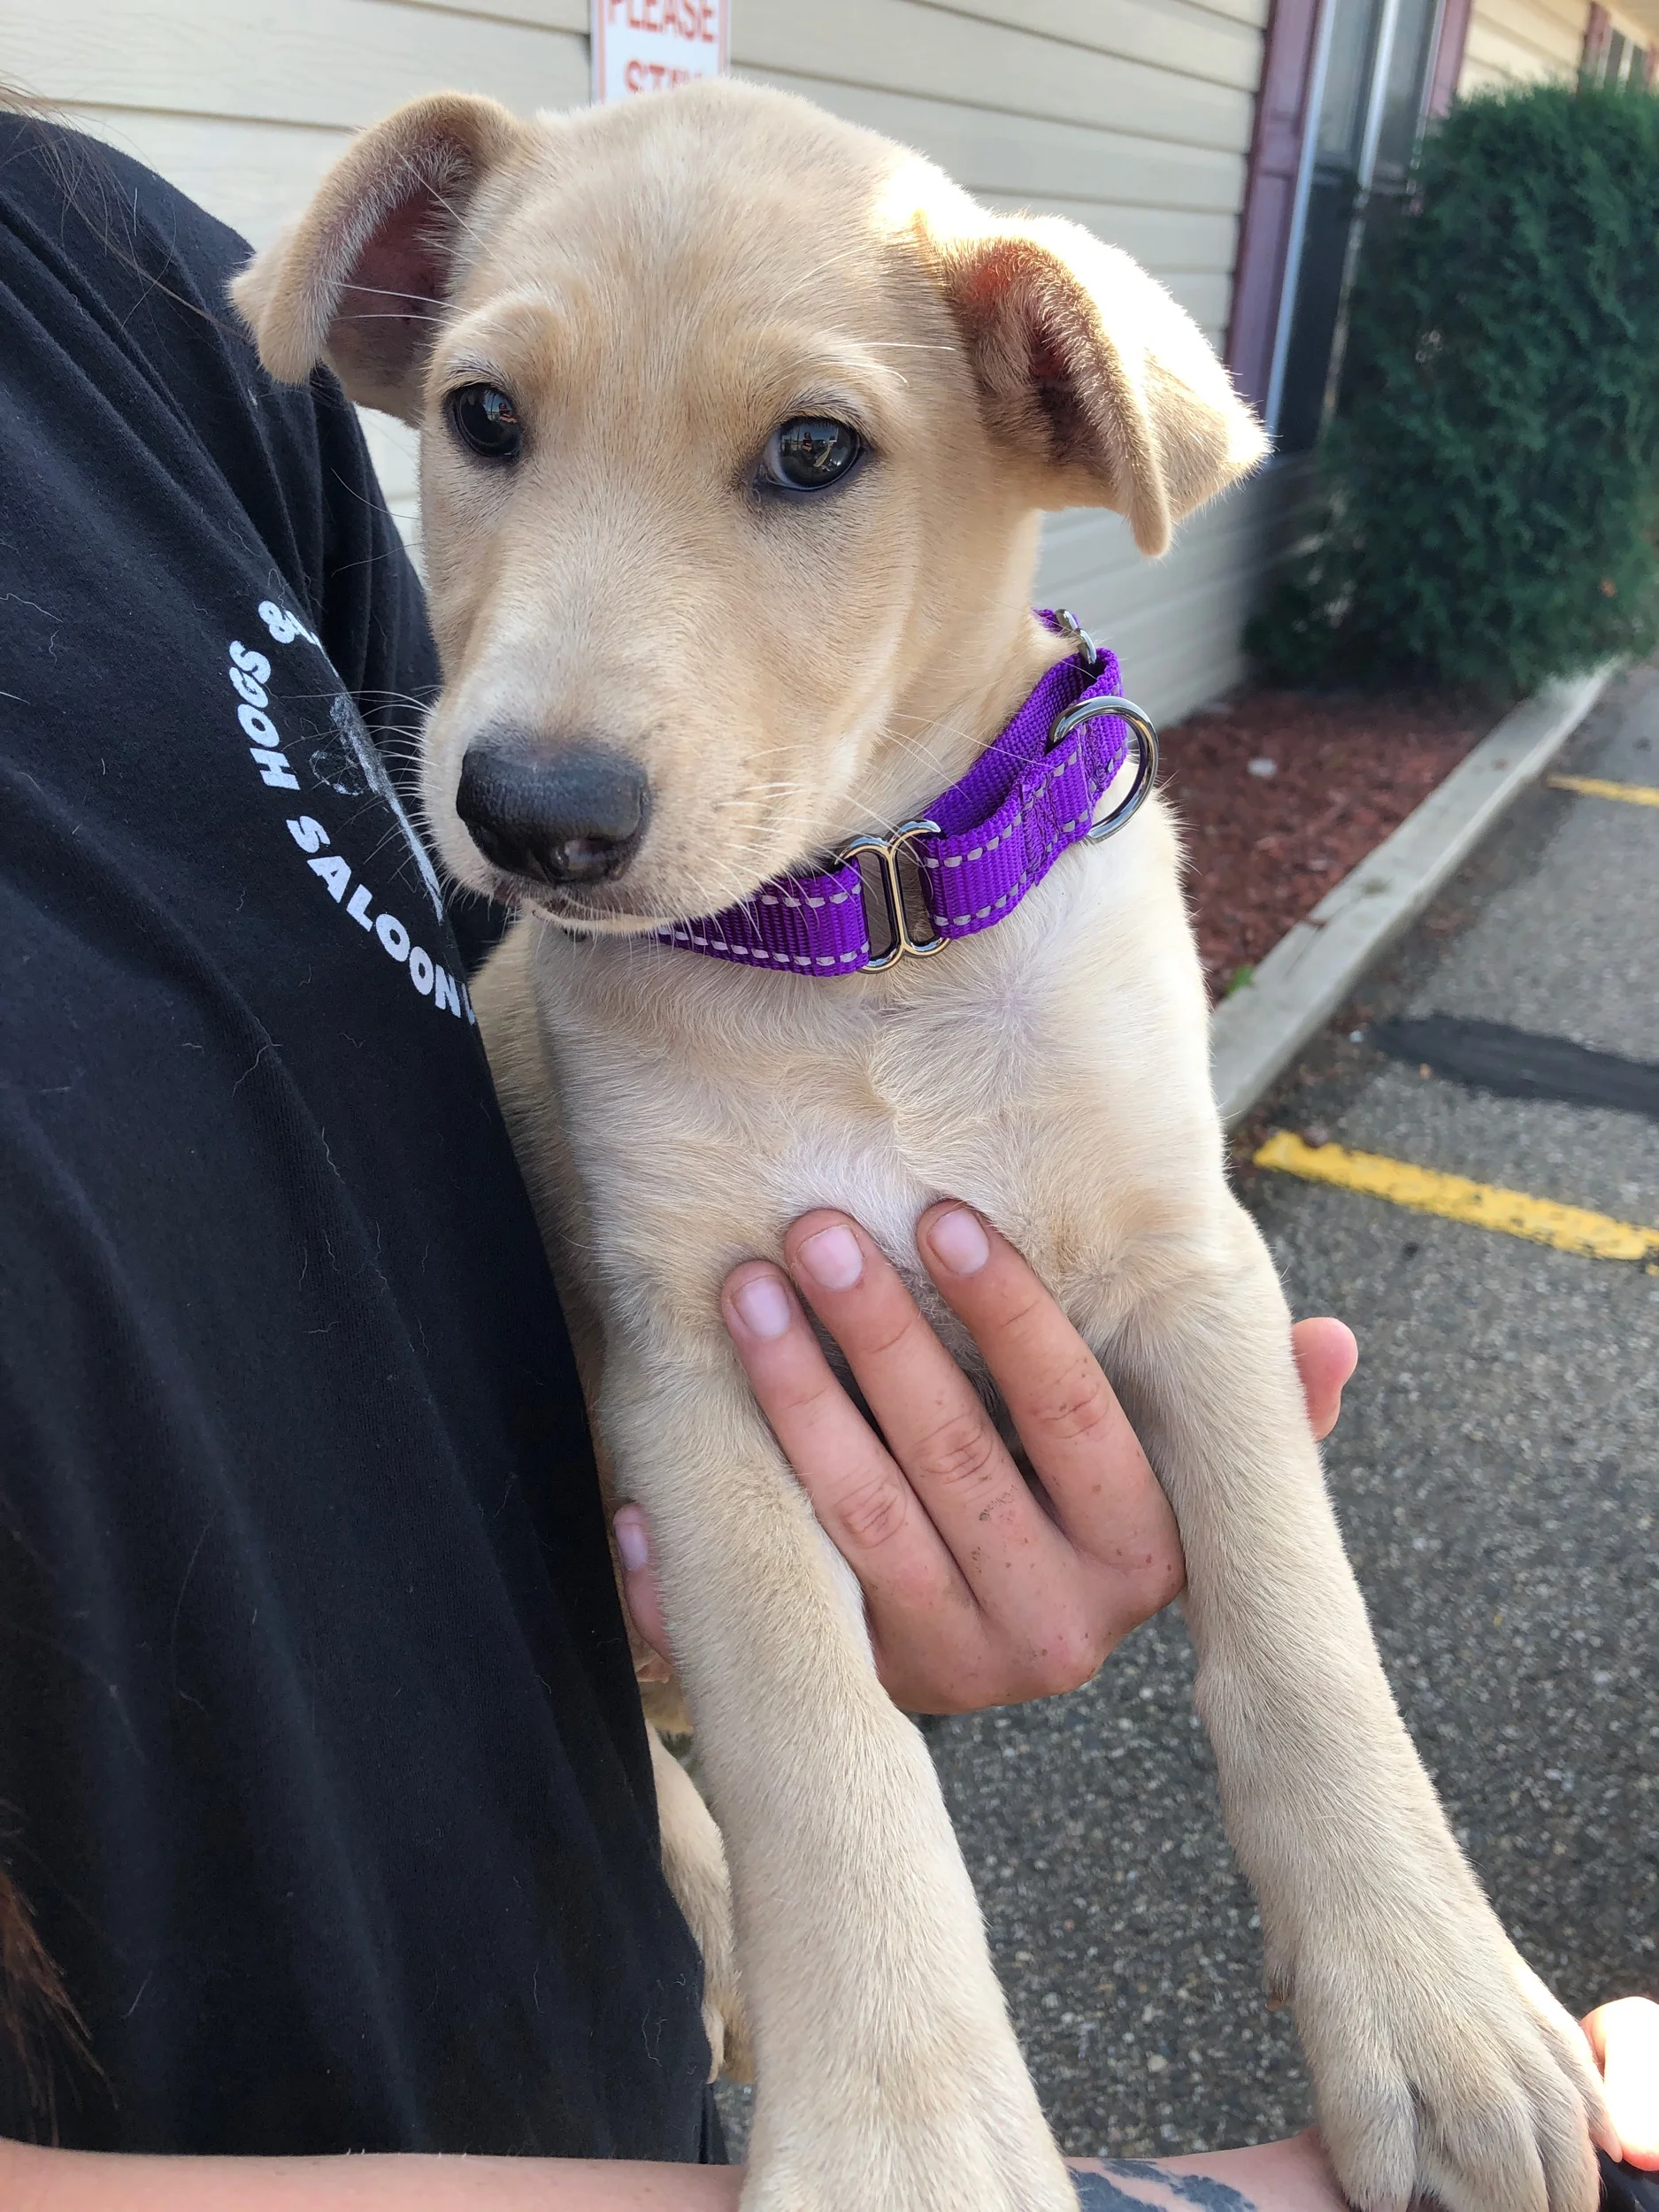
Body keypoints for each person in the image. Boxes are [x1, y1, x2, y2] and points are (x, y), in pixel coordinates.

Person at [0, 104, 1651, 2212]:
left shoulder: (75, 284)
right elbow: (686, 1371)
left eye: (804, 457)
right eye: (492, 417)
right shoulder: (611, 948)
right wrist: (867, 1999)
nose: (546, 731)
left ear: (1037, 413)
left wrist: (1375, 1872)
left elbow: (1182, 1279)